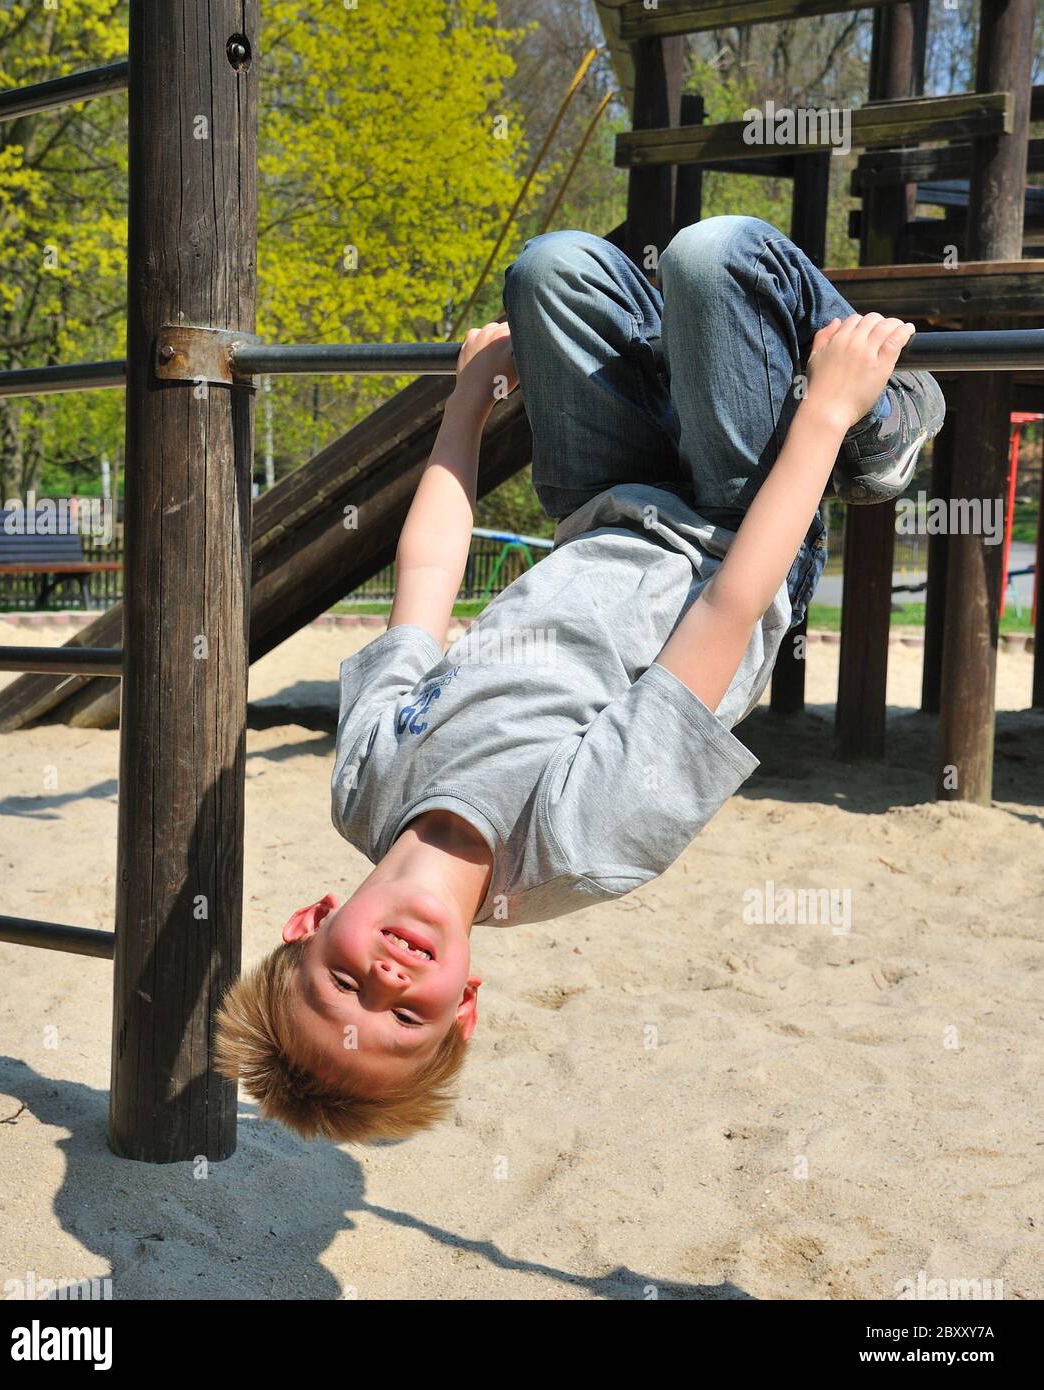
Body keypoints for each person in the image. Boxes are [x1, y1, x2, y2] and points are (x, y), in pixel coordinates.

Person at [214, 216, 946, 1142]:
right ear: (463, 1005)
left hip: (605, 509)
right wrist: (829, 413)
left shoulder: (362, 785)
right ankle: (888, 423)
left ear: (309, 924)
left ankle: (699, 366)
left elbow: (426, 580)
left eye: (344, 982)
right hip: (736, 530)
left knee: (549, 269)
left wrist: (466, 406)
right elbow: (727, 612)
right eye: (406, 1016)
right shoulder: (576, 843)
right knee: (711, 257)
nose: (389, 979)